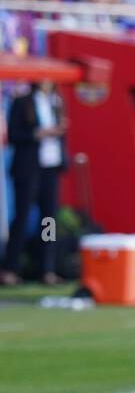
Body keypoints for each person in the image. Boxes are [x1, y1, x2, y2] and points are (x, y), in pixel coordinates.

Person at [2, 81, 68, 286]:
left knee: (49, 221)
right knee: (21, 218)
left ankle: (47, 268)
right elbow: (13, 135)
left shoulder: (56, 102)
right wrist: (37, 134)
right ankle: (10, 268)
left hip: (50, 167)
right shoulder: (22, 102)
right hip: (28, 169)